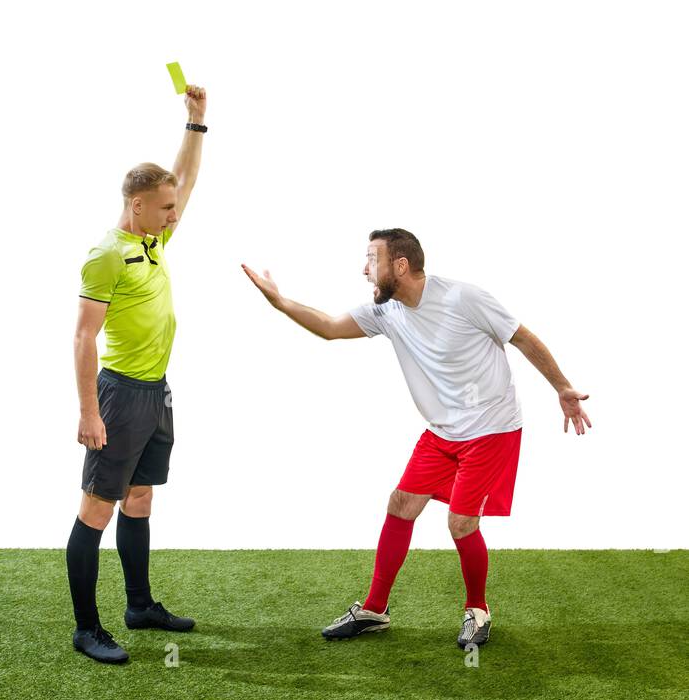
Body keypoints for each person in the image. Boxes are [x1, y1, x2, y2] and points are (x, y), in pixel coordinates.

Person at [242, 227, 591, 648]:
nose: (364, 269)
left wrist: (562, 387)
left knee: (461, 523)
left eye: (372, 260)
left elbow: (523, 338)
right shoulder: (386, 311)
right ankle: (374, 609)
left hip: (490, 428)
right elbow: (331, 327)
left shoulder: (463, 298)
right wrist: (280, 302)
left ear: (401, 266)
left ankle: (478, 611)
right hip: (442, 431)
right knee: (401, 503)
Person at [67, 85, 208, 663]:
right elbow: (83, 336)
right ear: (137, 207)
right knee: (97, 507)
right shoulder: (107, 253)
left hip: (157, 393)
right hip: (120, 396)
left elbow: (185, 178)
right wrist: (89, 411)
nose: (176, 214)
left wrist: (196, 124)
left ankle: (139, 605)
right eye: (166, 207)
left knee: (141, 498)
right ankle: (85, 629)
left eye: (173, 207)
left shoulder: (153, 242)